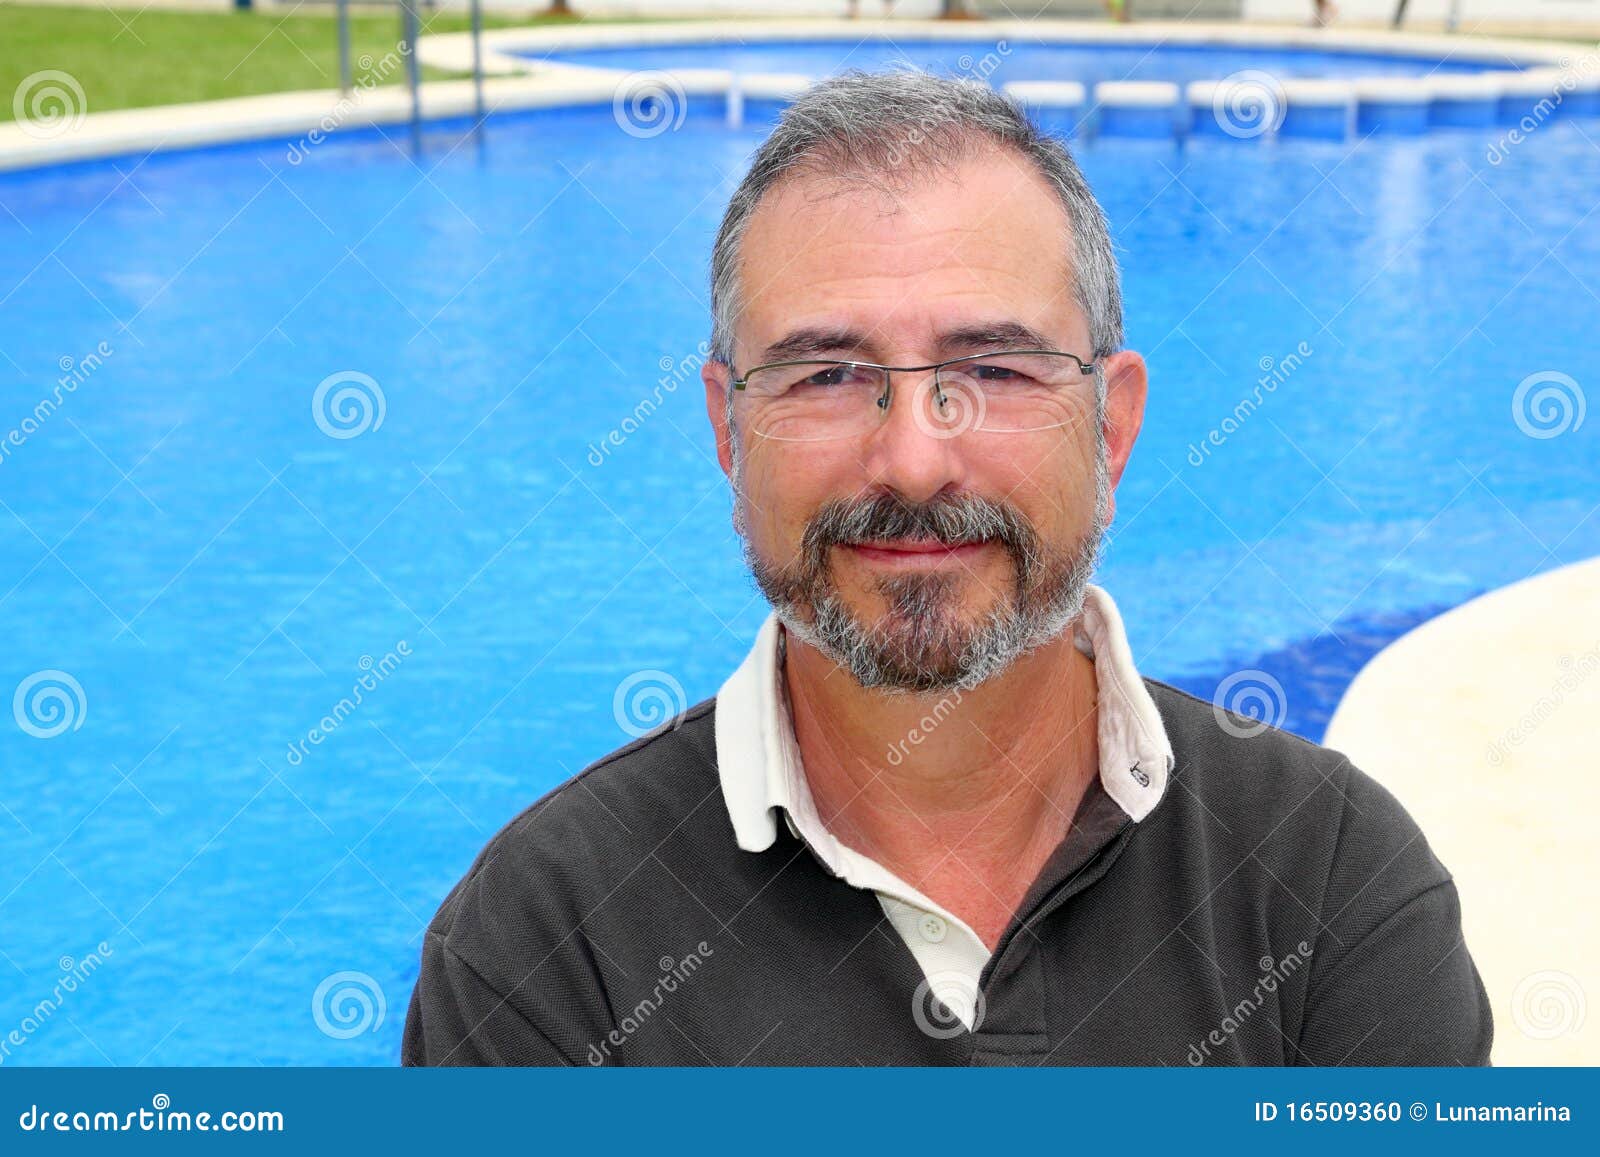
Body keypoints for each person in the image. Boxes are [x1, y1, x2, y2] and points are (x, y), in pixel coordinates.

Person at [402, 71, 1493, 1067]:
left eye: (993, 367)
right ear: (728, 433)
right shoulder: (543, 941)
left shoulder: (1330, 881)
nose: (914, 458)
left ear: (1110, 425)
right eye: (826, 372)